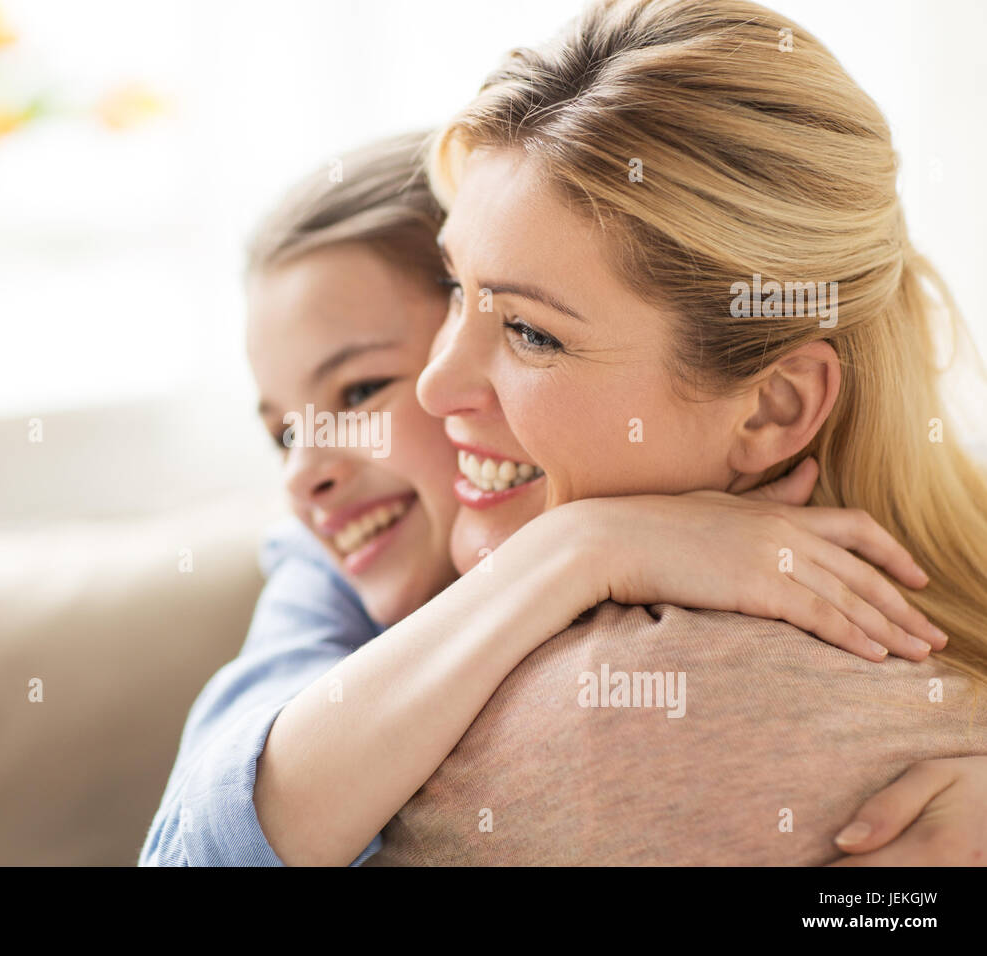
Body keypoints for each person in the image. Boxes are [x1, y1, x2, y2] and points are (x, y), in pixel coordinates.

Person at [140, 129, 983, 866]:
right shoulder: (320, 574)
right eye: (283, 433)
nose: (303, 475)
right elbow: (198, 849)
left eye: (361, 391)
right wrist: (582, 547)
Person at [368, 0, 987, 865]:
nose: (436, 386)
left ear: (772, 408)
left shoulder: (629, 710)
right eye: (455, 289)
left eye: (531, 332)